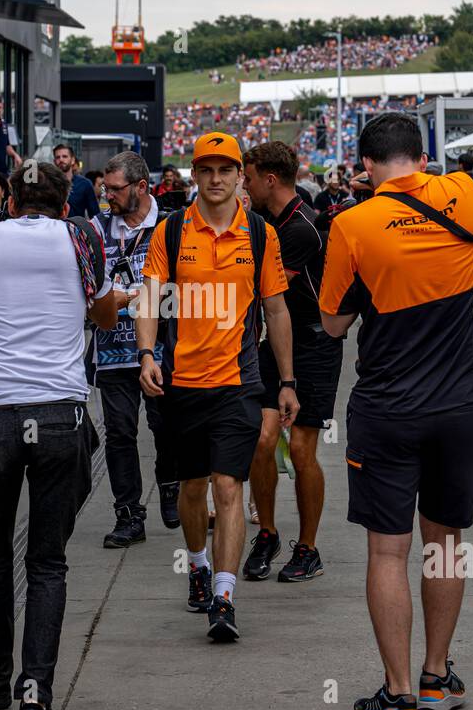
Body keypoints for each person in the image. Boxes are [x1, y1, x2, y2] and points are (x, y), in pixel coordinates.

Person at [319, 112, 473, 710]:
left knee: (389, 551)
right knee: (444, 543)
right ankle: (437, 677)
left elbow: (334, 324)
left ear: (364, 166)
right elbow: (466, 216)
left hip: (388, 408)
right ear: (423, 155)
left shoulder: (351, 224)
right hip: (462, 406)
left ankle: (397, 698)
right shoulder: (464, 194)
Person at [0, 160, 117, 710]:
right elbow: (105, 315)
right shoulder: (83, 239)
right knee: (47, 561)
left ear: (11, 200)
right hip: (60, 416)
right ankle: (35, 692)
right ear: (66, 203)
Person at [137, 131, 298, 643]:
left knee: (229, 486)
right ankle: (199, 565)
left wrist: (287, 381)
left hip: (238, 382)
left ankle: (224, 597)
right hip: (181, 382)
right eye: (205, 170)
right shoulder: (169, 232)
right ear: (194, 174)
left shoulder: (259, 233)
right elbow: (149, 297)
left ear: (238, 176)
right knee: (192, 489)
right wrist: (145, 354)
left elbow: (275, 308)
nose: (215, 179)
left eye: (225, 170)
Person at [242, 141, 340, 583]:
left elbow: (265, 290)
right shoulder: (267, 221)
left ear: (269, 179)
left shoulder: (300, 228)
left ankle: (309, 547)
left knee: (300, 450)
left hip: (314, 347)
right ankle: (266, 532)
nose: (243, 184)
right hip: (275, 343)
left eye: (246, 176)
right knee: (262, 441)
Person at [91, 151, 180, 548]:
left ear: (141, 187)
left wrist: (131, 298)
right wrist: (126, 299)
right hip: (112, 351)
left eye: (115, 189)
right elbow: (88, 293)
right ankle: (129, 515)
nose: (107, 195)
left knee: (168, 427)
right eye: (105, 188)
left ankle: (171, 485)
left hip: (163, 350)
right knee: (120, 433)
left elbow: (186, 291)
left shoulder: (171, 226)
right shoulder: (93, 229)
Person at [54, 143, 98, 219]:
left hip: (76, 229)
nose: (61, 159)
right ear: (54, 161)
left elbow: (94, 215)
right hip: (54, 229)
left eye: (64, 156)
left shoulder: (85, 184)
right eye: (58, 157)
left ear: (73, 160)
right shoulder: (49, 184)